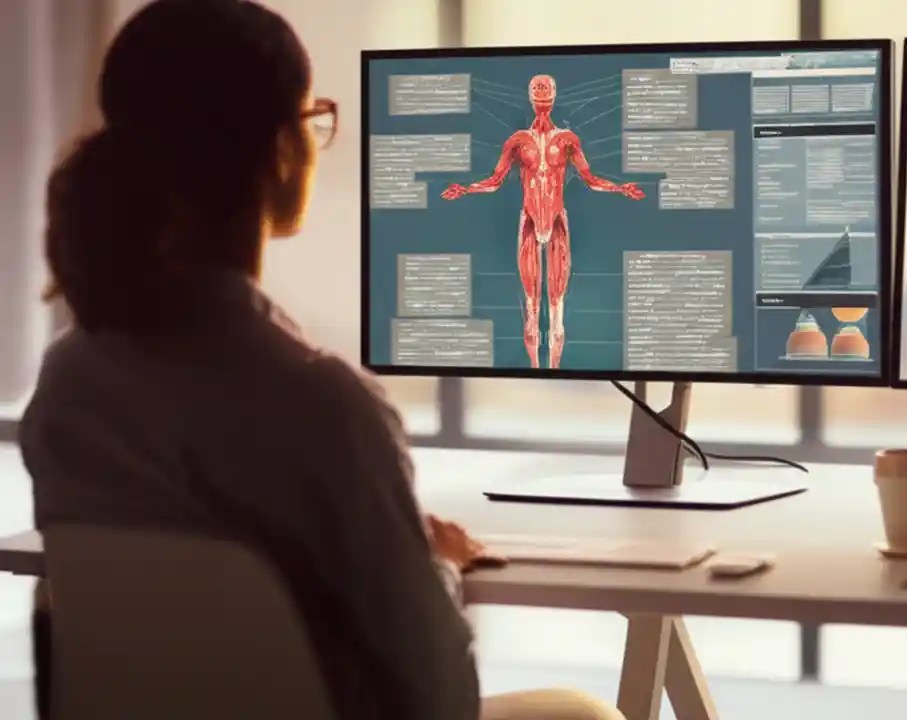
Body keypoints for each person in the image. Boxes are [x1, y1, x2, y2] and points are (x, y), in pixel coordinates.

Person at [19, 2, 623, 719]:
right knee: (586, 713)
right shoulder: (322, 405)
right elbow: (441, 698)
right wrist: (437, 565)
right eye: (314, 118)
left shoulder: (67, 385)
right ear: (283, 149)